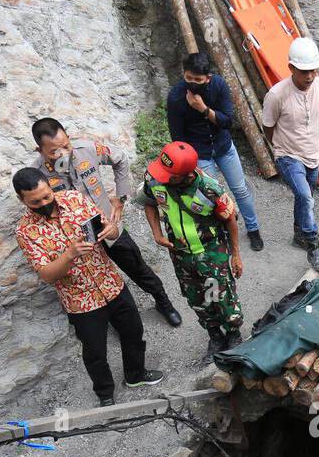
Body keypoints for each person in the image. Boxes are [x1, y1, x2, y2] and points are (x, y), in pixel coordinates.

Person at [13, 168, 162, 406]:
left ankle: (136, 375)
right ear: (22, 200)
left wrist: (110, 230)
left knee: (133, 332)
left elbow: (107, 226)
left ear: (50, 188)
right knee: (95, 353)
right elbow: (46, 275)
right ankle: (105, 396)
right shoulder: (25, 231)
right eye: (35, 201)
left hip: (110, 283)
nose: (43, 203)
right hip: (81, 301)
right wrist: (69, 255)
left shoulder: (74, 198)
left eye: (46, 196)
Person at [30, 118, 182, 328]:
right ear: (40, 150)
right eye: (55, 151)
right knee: (96, 283)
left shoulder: (87, 149)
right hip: (79, 240)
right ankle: (119, 323)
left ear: (69, 137)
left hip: (110, 227)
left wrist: (120, 199)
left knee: (138, 268)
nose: (64, 154)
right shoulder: (38, 175)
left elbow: (120, 159)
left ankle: (164, 304)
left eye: (66, 145)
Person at [138, 141, 248, 364]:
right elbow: (148, 201)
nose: (161, 176)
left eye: (169, 174)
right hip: (181, 255)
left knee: (222, 295)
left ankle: (234, 337)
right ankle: (215, 336)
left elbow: (231, 219)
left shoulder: (209, 189)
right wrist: (157, 234)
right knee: (197, 298)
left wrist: (235, 254)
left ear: (186, 175)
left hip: (211, 252)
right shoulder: (155, 179)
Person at [167, 52, 264, 253]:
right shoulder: (176, 97)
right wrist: (188, 166)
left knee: (240, 189)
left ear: (207, 78)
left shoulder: (218, 85)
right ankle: (224, 232)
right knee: (212, 198)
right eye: (189, 78)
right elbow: (178, 138)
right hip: (200, 154)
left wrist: (203, 109)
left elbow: (228, 121)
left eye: (198, 80)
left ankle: (253, 229)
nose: (193, 83)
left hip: (223, 147)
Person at [262, 37, 319, 271]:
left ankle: (298, 234)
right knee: (306, 196)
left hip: (312, 153)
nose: (309, 76)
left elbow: (318, 117)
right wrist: (280, 148)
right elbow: (268, 126)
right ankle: (313, 245)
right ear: (291, 68)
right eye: (303, 72)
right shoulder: (276, 94)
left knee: (304, 197)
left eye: (313, 70)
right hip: (288, 155)